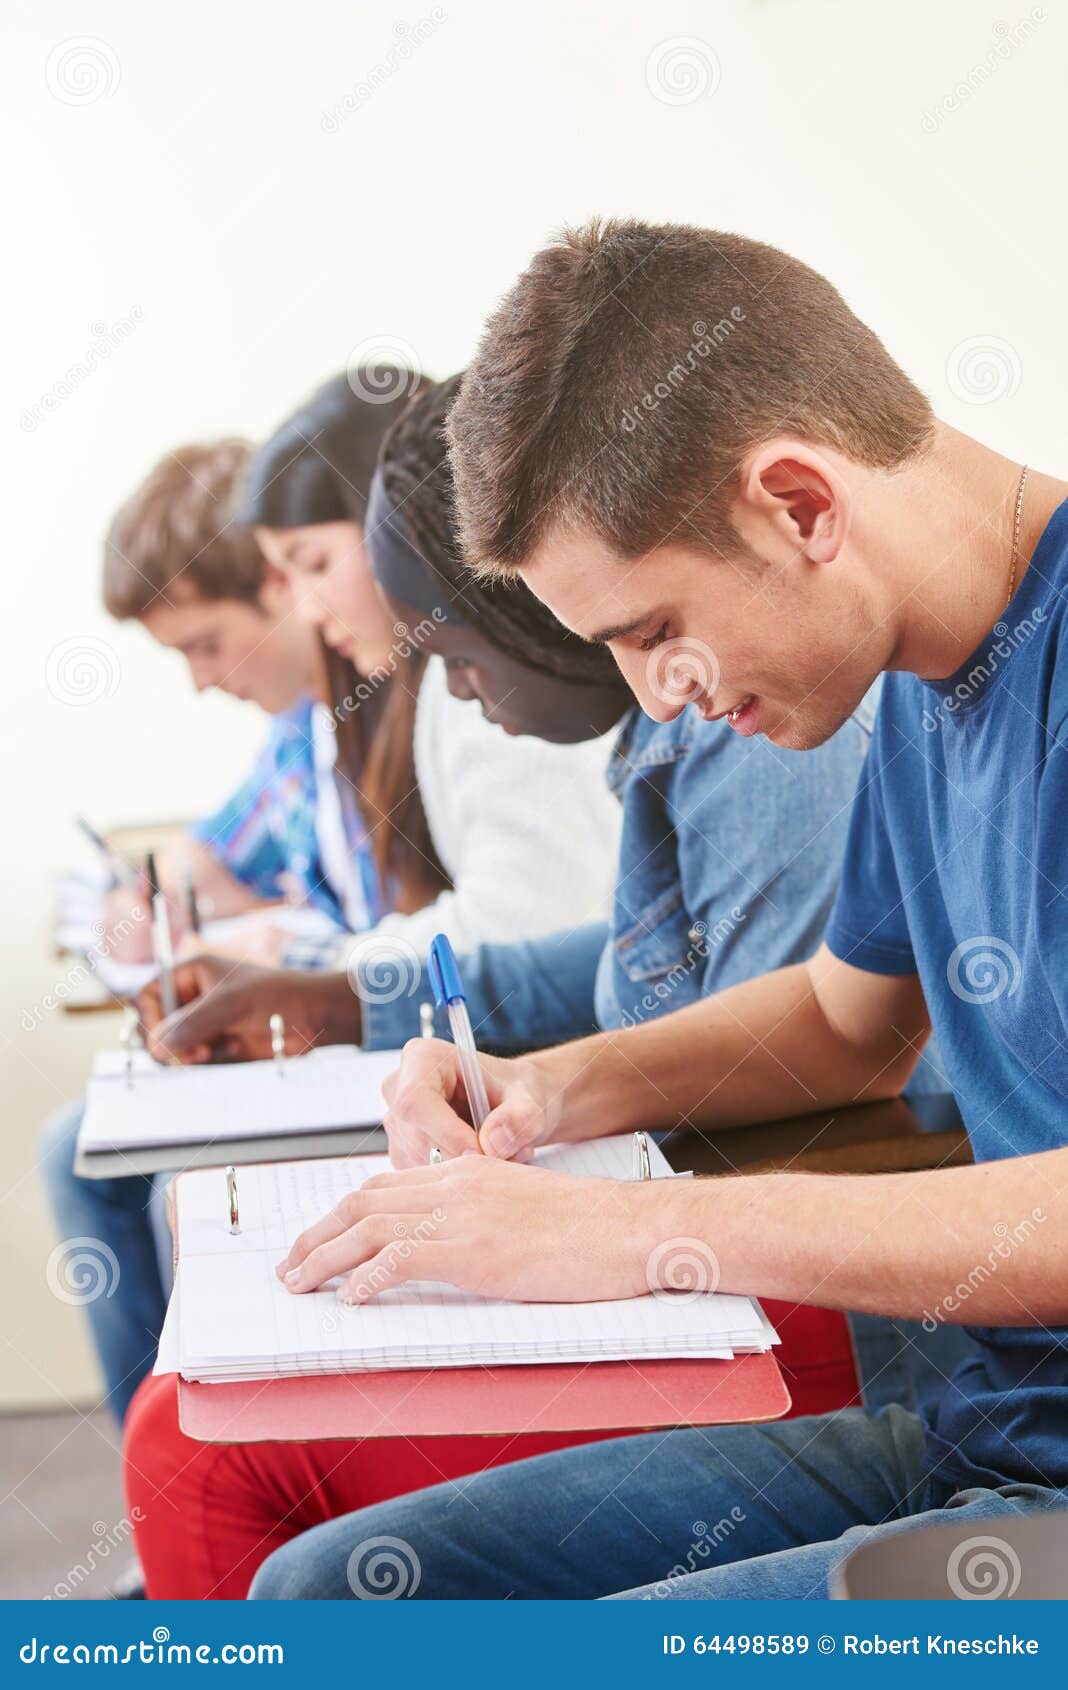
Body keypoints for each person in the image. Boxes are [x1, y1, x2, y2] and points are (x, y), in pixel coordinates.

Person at [243, 220, 1068, 1600]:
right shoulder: (929, 679)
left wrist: (627, 1235)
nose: (656, 695)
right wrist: (546, 1089)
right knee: (327, 1597)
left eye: (651, 629)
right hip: (986, 1439)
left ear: (800, 504)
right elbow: (842, 1021)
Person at [123, 376, 878, 1598]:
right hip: (729, 1246)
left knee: (195, 1448)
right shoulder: (670, 724)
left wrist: (578, 1216)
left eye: (463, 659)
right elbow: (678, 984)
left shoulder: (750, 719)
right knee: (203, 1403)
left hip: (796, 1298)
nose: (457, 695)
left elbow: (793, 1069)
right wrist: (517, 1077)